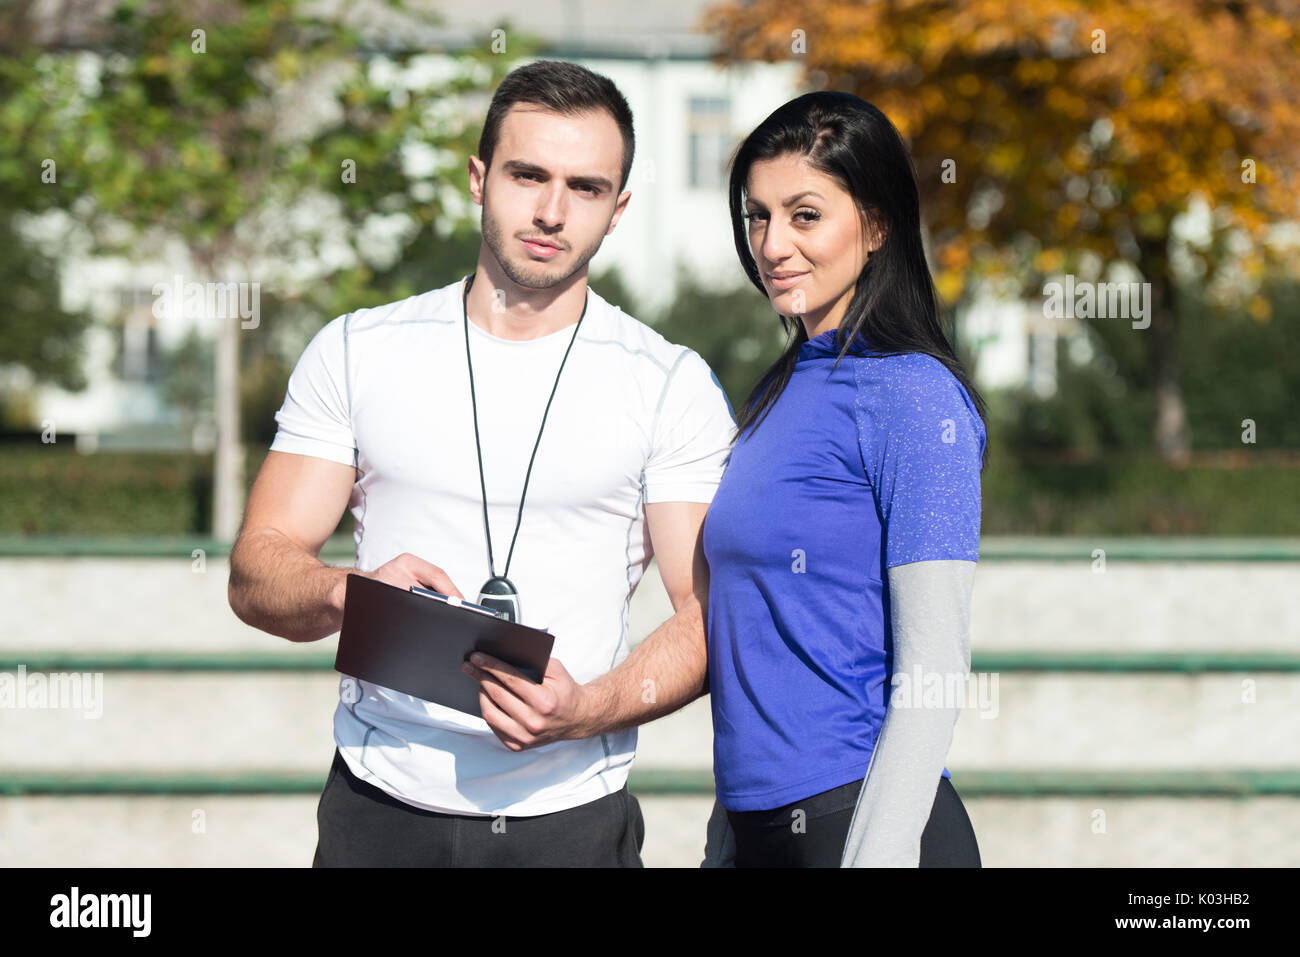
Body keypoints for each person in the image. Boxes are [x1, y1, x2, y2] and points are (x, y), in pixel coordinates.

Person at [227, 59, 737, 867]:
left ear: (619, 209)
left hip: (571, 815)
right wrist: (344, 593)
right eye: (526, 174)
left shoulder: (669, 383)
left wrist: (586, 707)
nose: (550, 210)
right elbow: (255, 569)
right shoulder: (359, 349)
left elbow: (709, 615)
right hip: (377, 801)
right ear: (477, 177)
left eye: (586, 187)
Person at [699, 91, 985, 867]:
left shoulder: (917, 396)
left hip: (865, 825)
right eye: (757, 216)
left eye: (804, 214)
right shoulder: (773, 393)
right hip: (761, 832)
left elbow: (934, 664)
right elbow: (754, 639)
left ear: (878, 225)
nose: (772, 243)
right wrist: (724, 837)